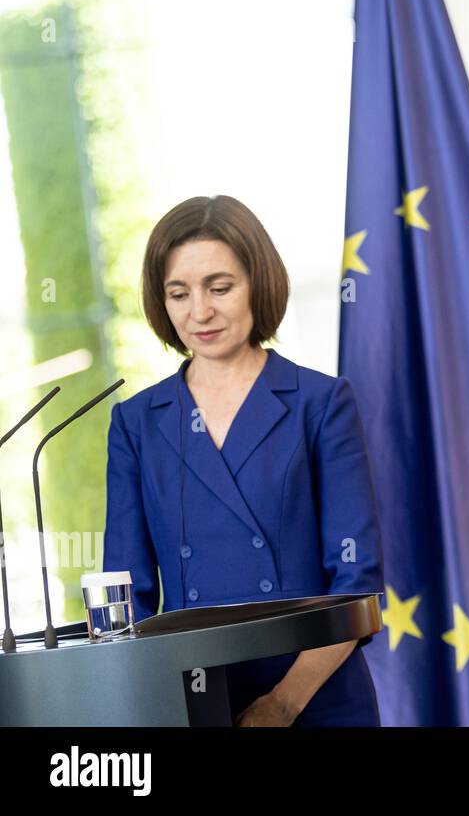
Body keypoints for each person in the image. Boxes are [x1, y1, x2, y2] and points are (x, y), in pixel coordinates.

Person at [103, 195, 384, 726]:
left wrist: (282, 704)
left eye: (220, 288)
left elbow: (356, 586)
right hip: (193, 699)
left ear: (259, 282)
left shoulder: (319, 403)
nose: (199, 312)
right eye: (178, 294)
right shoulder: (135, 423)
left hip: (317, 698)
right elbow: (125, 601)